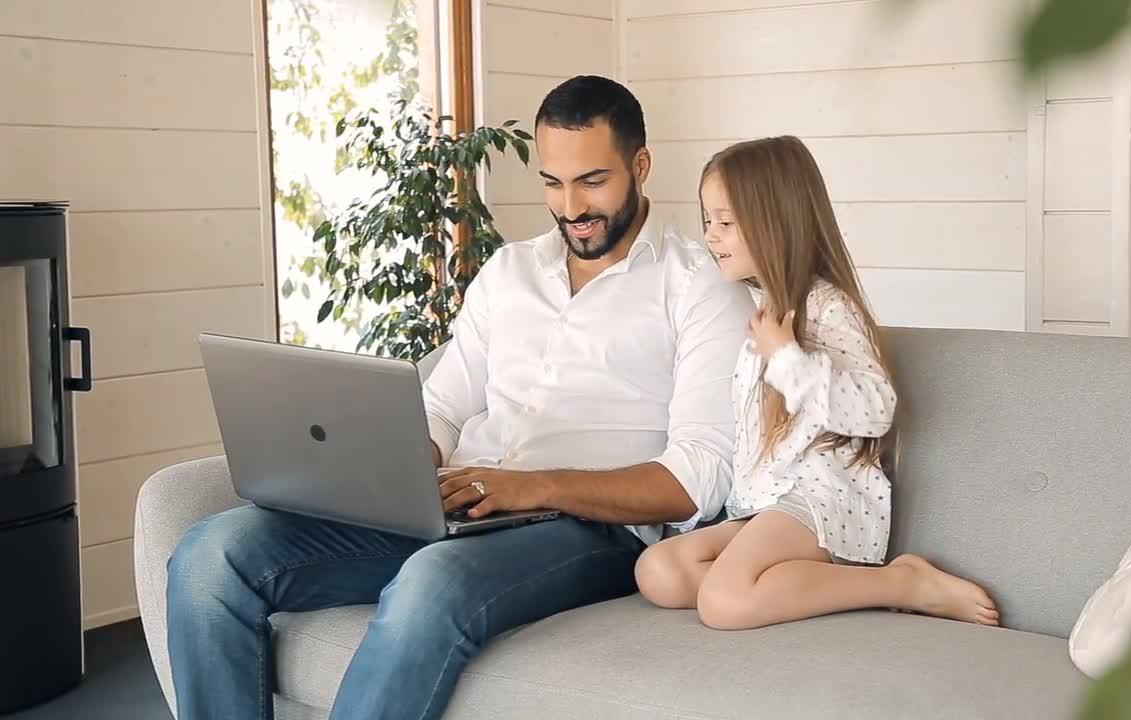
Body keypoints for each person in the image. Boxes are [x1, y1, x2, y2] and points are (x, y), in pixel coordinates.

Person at [164, 75, 755, 719]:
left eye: (592, 181)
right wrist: (404, 463)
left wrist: (536, 487)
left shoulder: (699, 287)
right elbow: (443, 403)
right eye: (552, 183)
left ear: (640, 165)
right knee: (209, 557)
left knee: (430, 581)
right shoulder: (509, 272)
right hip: (468, 505)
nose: (571, 207)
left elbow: (701, 475)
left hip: (595, 532)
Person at [633, 136, 1001, 630]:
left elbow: (875, 409)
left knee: (723, 602)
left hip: (820, 501)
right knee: (659, 570)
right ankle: (787, 584)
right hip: (766, 502)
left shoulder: (827, 308)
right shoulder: (761, 311)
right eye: (707, 221)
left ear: (774, 223)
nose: (710, 236)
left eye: (725, 222)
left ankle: (904, 583)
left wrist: (787, 359)